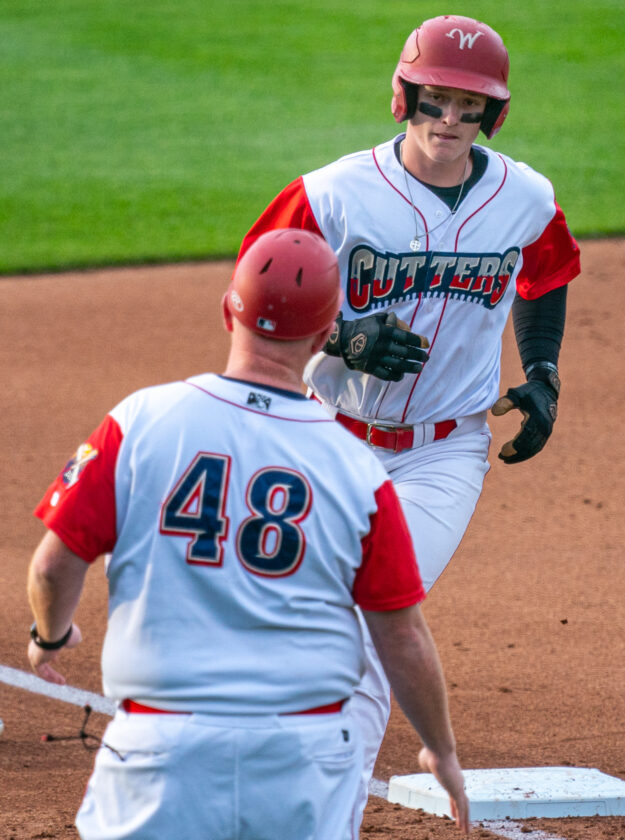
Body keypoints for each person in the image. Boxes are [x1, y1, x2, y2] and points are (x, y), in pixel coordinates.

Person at [235, 13, 581, 827]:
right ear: (402, 97)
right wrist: (345, 335)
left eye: (469, 107)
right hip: (319, 437)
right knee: (285, 608)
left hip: (441, 453)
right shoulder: (330, 193)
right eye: (433, 101)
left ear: (494, 114)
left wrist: (542, 373)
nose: (448, 123)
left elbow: (545, 273)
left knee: (373, 616)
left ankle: (320, 806)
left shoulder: (523, 197)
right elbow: (245, 299)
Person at [27, 229, 469, 840]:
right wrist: (440, 751)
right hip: (303, 762)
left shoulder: (139, 422)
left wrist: (48, 635)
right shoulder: (358, 471)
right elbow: (401, 637)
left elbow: (54, 567)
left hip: (160, 752)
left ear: (227, 310)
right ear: (324, 336)